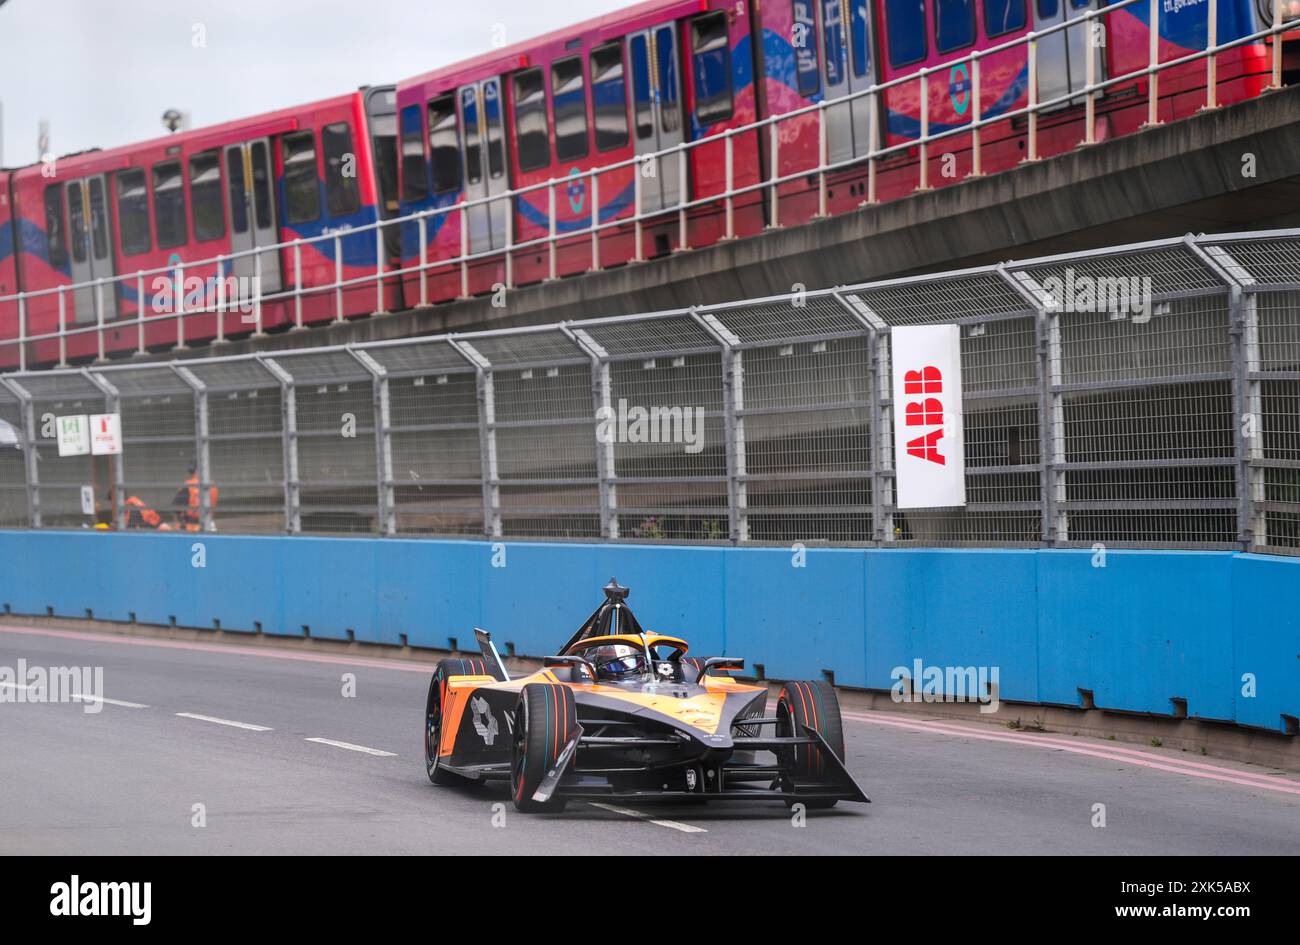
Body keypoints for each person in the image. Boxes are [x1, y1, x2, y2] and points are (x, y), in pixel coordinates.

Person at [173, 462, 218, 532]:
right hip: (209, 524)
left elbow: (176, 508)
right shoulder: (212, 485)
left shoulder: (189, 485)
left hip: (192, 526)